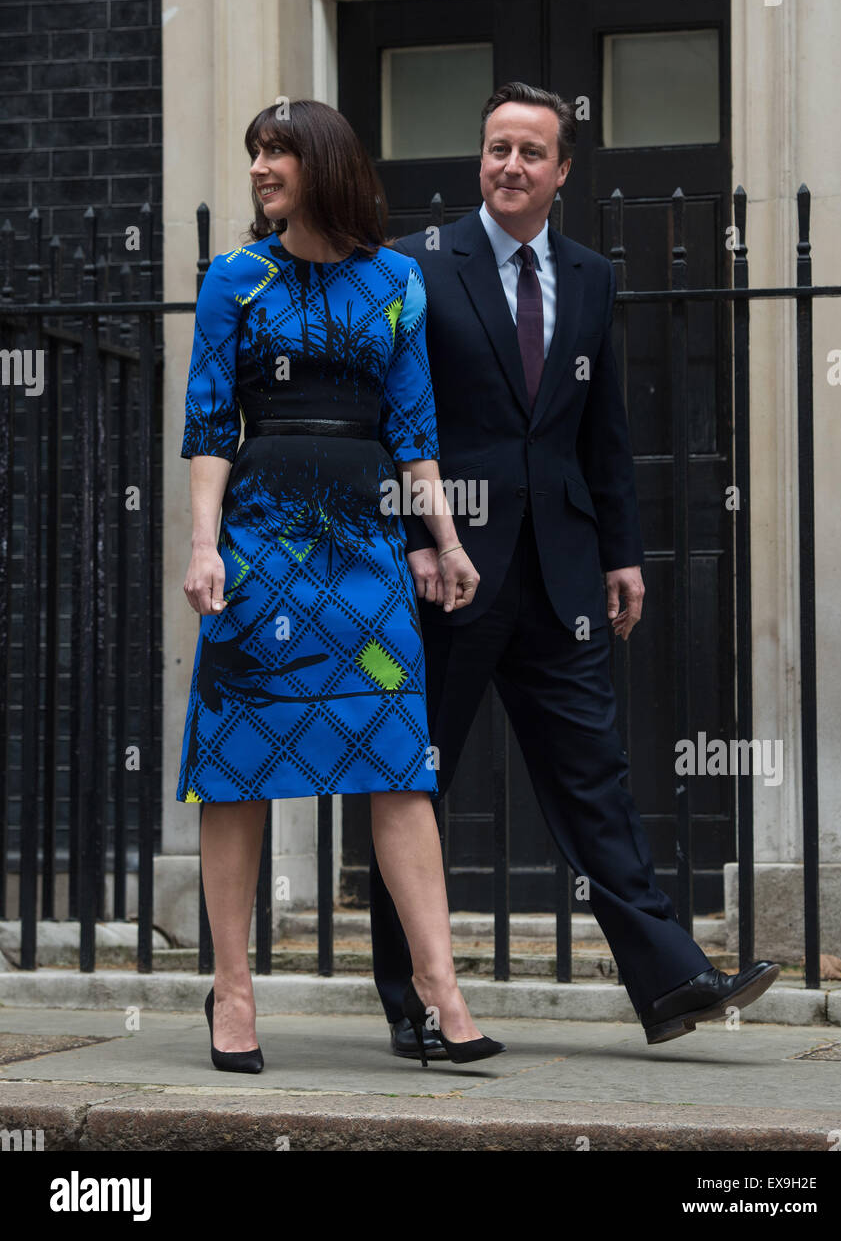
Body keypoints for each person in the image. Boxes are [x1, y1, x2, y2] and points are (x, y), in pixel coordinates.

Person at [371, 82, 780, 1051]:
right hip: (451, 573)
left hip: (559, 574)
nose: (509, 165)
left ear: (562, 170)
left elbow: (605, 431)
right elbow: (389, 420)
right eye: (495, 148)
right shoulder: (416, 267)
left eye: (529, 152)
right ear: (480, 159)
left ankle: (673, 982)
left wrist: (622, 553)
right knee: (409, 783)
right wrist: (417, 538)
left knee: (595, 776)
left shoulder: (591, 277)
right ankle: (415, 1003)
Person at [177, 99, 505, 1072]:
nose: (260, 169)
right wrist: (203, 547)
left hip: (364, 553)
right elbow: (207, 426)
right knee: (235, 768)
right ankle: (232, 990)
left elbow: (415, 433)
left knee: (401, 759)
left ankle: (442, 991)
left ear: (324, 163)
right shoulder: (236, 280)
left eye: (277, 151)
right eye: (254, 154)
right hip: (261, 548)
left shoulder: (396, 282)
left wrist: (443, 541)